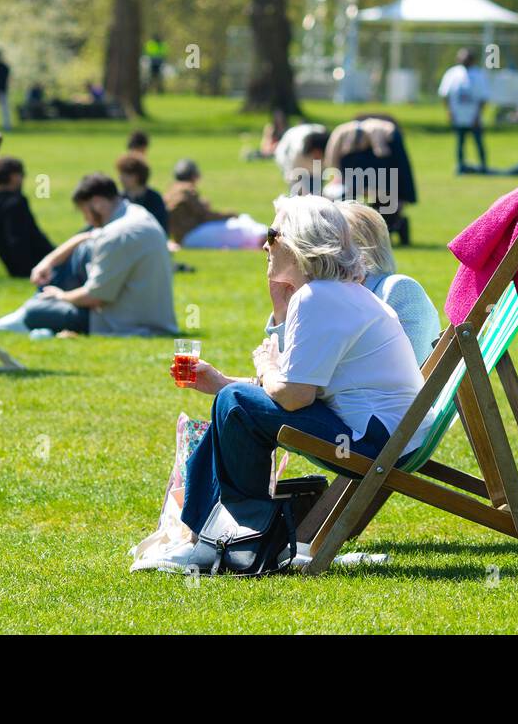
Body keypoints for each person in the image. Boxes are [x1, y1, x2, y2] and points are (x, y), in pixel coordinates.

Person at [175, 195, 429, 535]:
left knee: (235, 402)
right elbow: (299, 389)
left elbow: (295, 397)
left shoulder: (318, 297)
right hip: (385, 437)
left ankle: (235, 531)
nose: (265, 246)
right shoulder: (334, 292)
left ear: (296, 241)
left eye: (271, 234)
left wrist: (265, 368)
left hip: (376, 445)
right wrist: (228, 381)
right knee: (234, 399)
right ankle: (212, 528)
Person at [0, 173, 177, 336]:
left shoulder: (116, 235)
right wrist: (48, 261)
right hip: (147, 314)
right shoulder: (134, 213)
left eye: (84, 211)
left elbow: (94, 297)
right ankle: (33, 310)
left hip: (121, 321)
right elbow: (87, 236)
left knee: (36, 312)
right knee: (82, 249)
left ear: (97, 202)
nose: (86, 218)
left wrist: (60, 296)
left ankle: (28, 314)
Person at [264, 201, 441, 363]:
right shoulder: (325, 296)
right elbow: (292, 375)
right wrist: (282, 313)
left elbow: (412, 376)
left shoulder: (398, 289)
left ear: (355, 250)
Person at [0, 156, 55, 278]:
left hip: (17, 266)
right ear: (14, 177)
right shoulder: (16, 202)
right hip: (43, 262)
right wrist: (27, 271)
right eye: (22, 174)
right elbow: (17, 240)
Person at [164, 159, 267, 249]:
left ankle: (265, 235)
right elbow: (206, 216)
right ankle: (268, 236)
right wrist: (230, 215)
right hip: (191, 235)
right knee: (240, 223)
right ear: (193, 175)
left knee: (242, 221)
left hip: (181, 237)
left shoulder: (171, 190)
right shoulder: (186, 190)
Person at [438, 47, 490, 173]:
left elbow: (483, 98)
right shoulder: (452, 73)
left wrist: (478, 116)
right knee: (460, 143)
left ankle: (483, 167)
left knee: (478, 143)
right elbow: (445, 94)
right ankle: (461, 166)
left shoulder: (478, 75)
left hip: (473, 117)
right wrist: (449, 111)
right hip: (459, 116)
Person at [116, 152, 169, 234]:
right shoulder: (118, 198)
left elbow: (161, 227)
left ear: (135, 177)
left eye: (124, 175)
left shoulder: (154, 199)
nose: (120, 179)